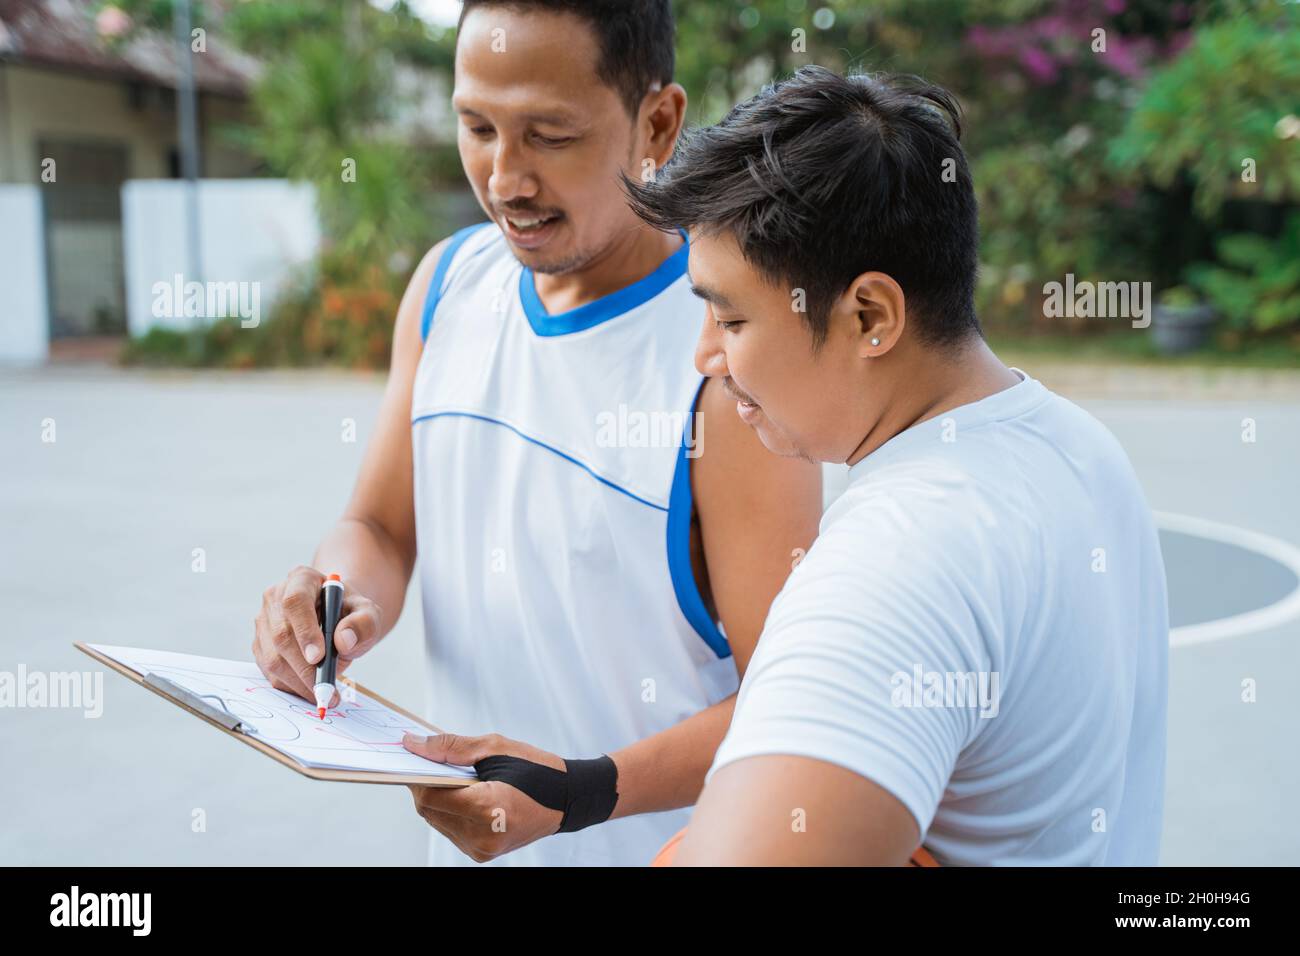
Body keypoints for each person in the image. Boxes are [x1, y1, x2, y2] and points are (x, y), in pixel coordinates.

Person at [250, 0, 823, 866]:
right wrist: (330, 606)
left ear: (657, 122)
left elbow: (793, 702)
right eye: (477, 126)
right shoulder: (446, 287)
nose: (504, 177)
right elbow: (379, 529)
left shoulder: (721, 357)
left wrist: (578, 794)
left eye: (550, 135)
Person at [626, 65, 1169, 865]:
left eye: (730, 315)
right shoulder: (1079, 446)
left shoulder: (898, 555)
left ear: (870, 315)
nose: (705, 353)